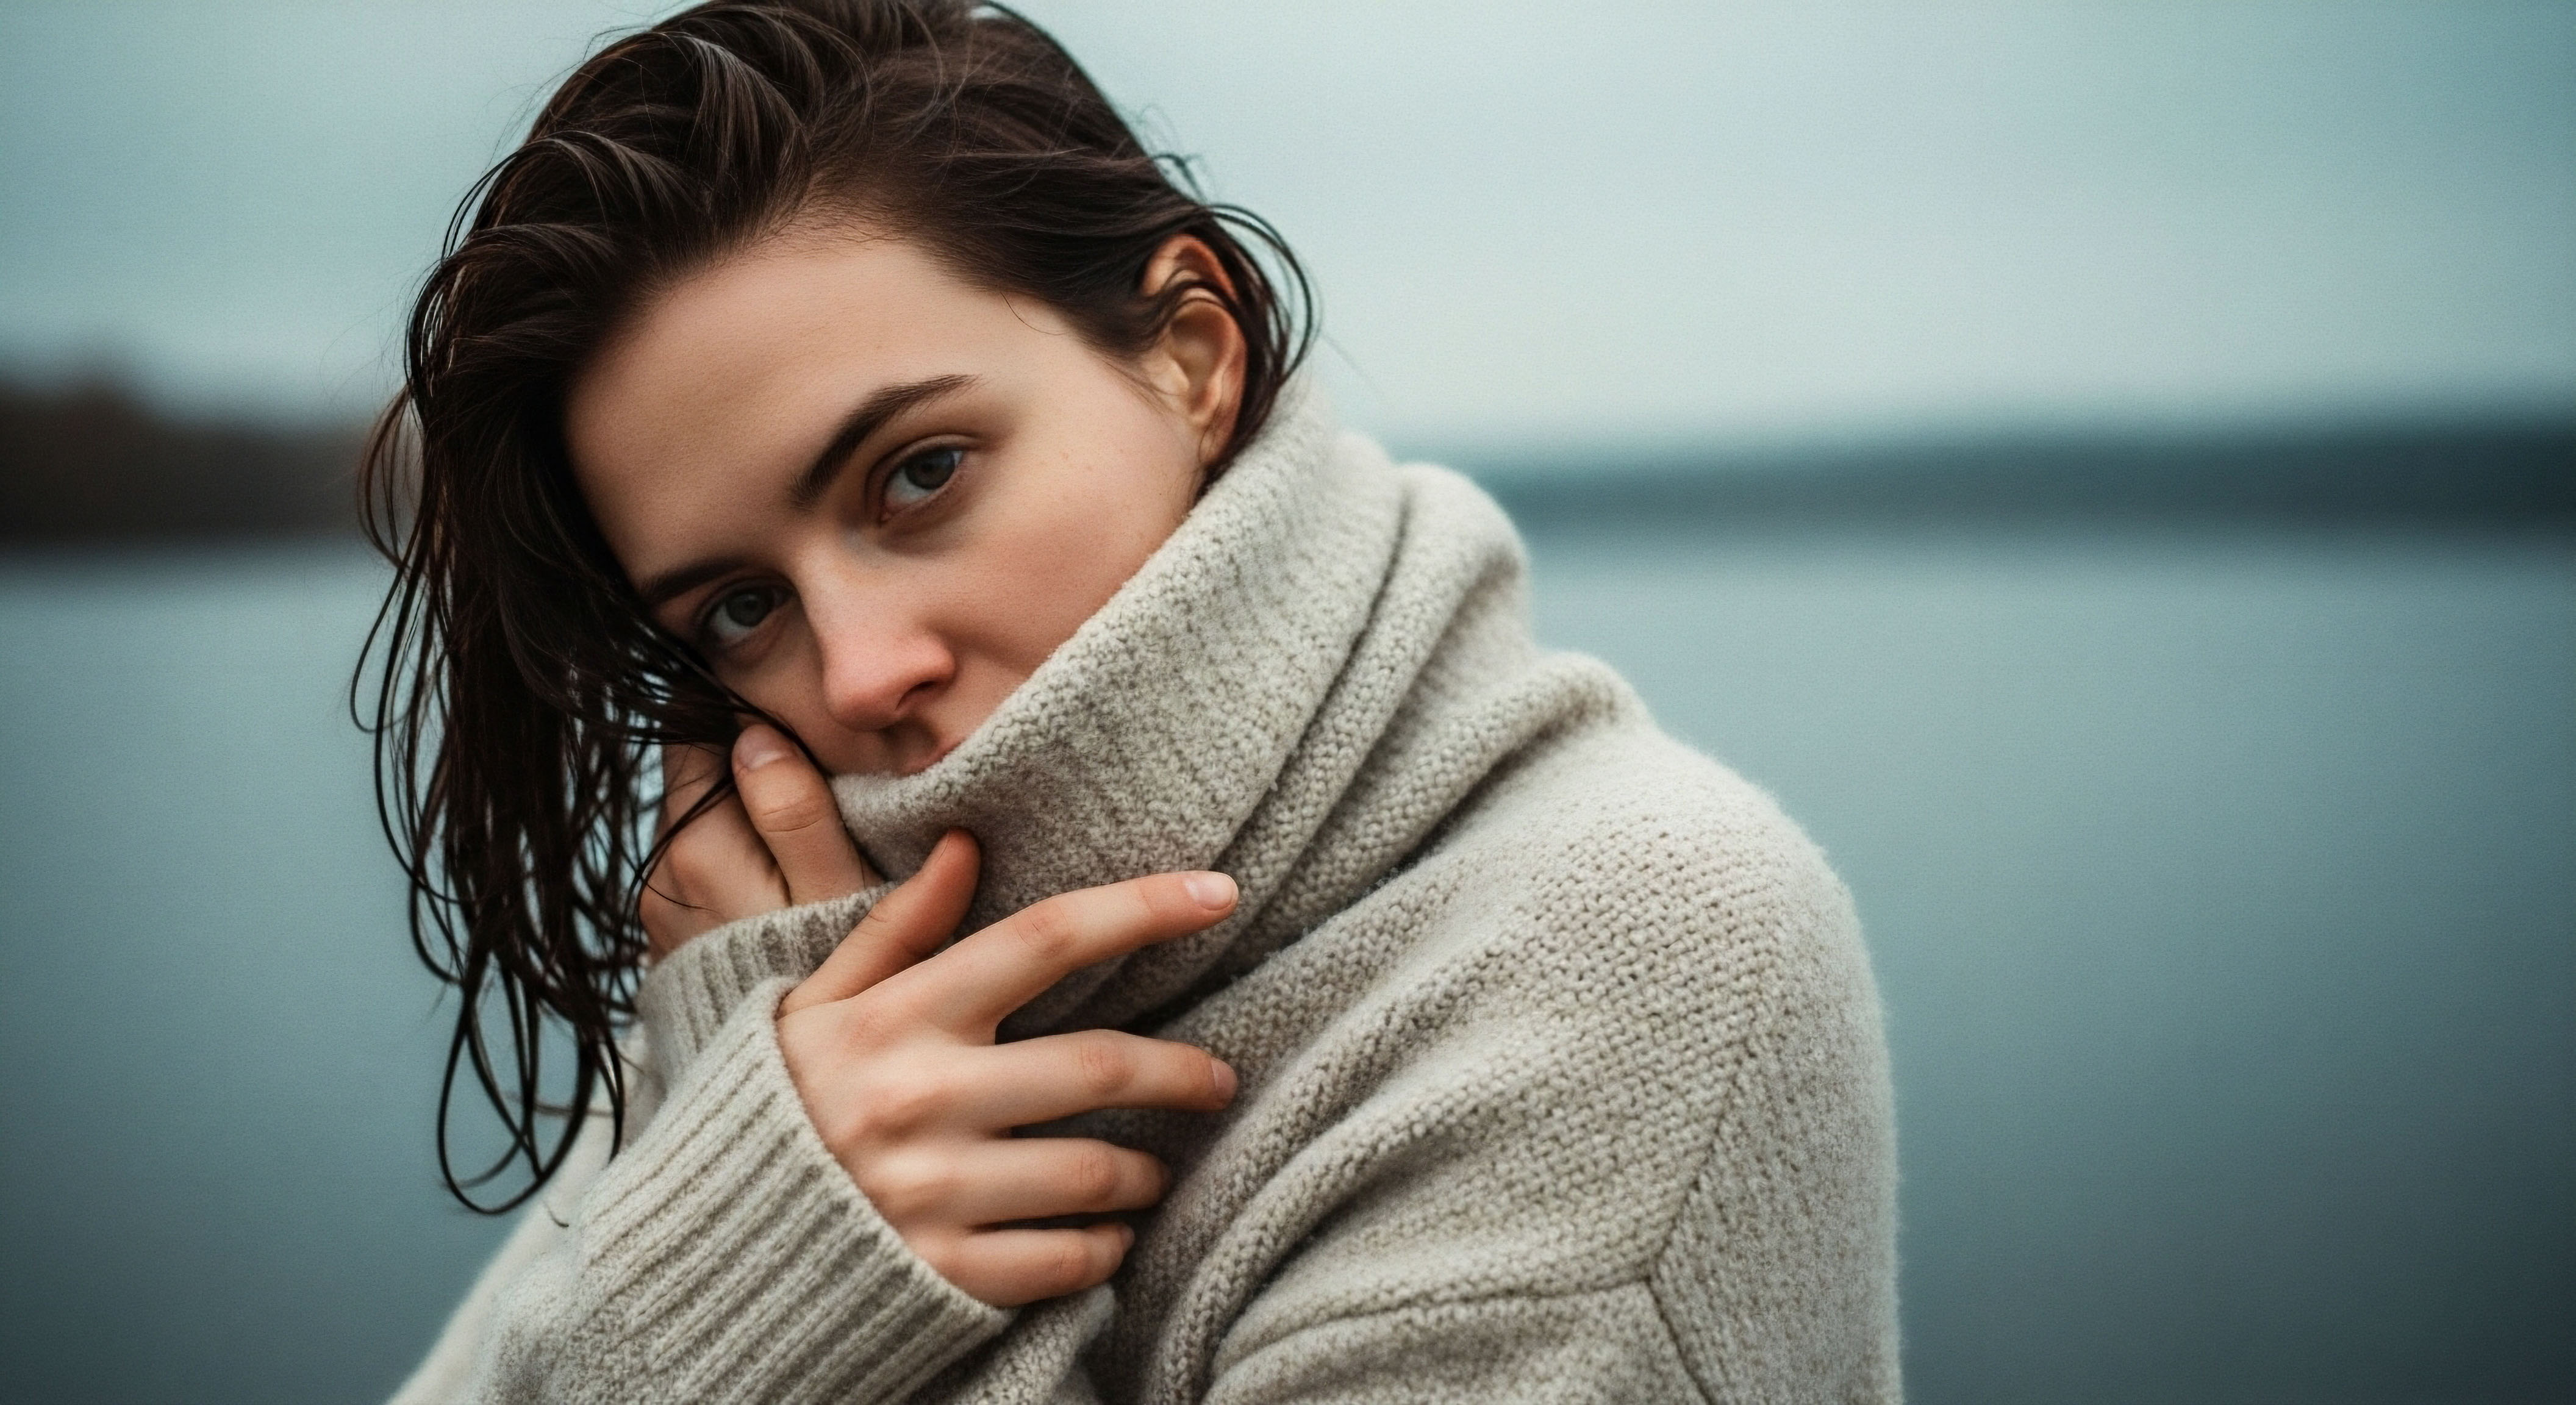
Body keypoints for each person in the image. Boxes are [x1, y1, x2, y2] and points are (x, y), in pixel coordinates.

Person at [369, 2, 1898, 1400]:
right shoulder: (802, 984)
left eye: (918, 475)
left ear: (1191, 357)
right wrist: (752, 1162)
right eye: (741, 609)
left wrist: (799, 1311)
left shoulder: (1636, 954)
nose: (859, 672)